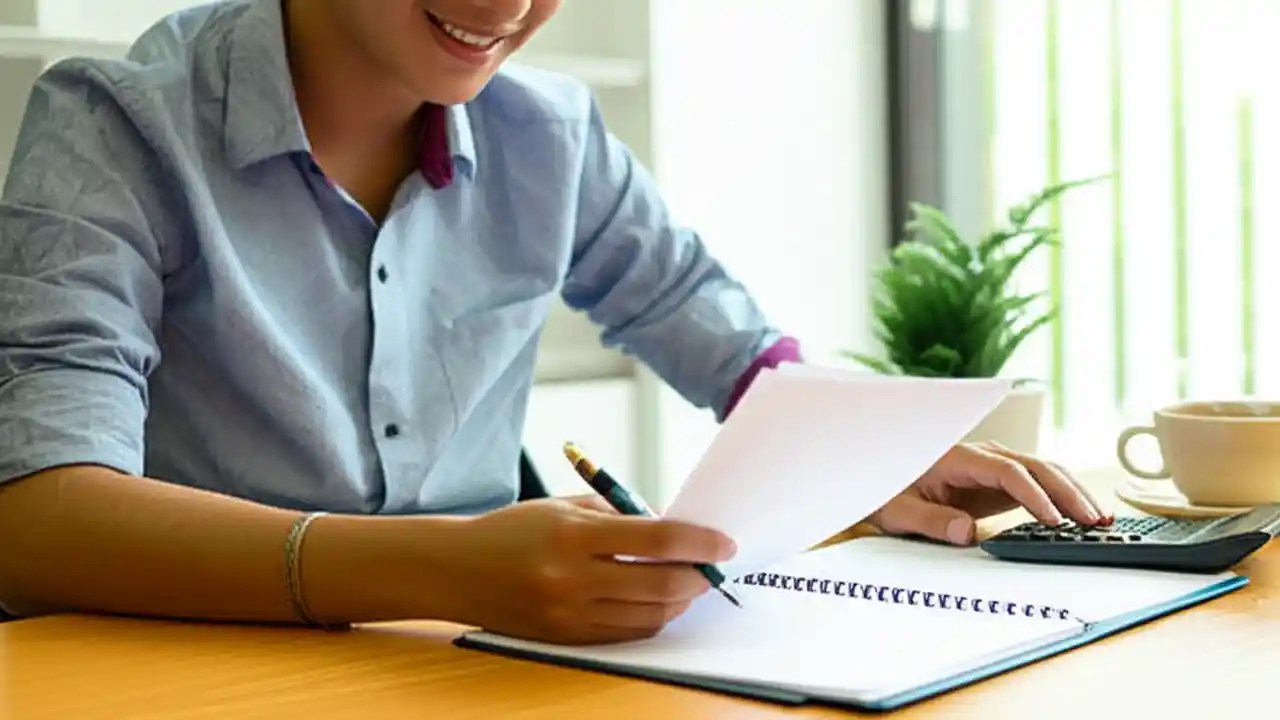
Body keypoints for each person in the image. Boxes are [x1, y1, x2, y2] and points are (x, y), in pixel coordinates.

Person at [0, 0, 1110, 644]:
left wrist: (860, 458)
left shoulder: (552, 136)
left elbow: (718, 334)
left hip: (463, 674)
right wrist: (436, 570)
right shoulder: (114, 130)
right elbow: (37, 519)